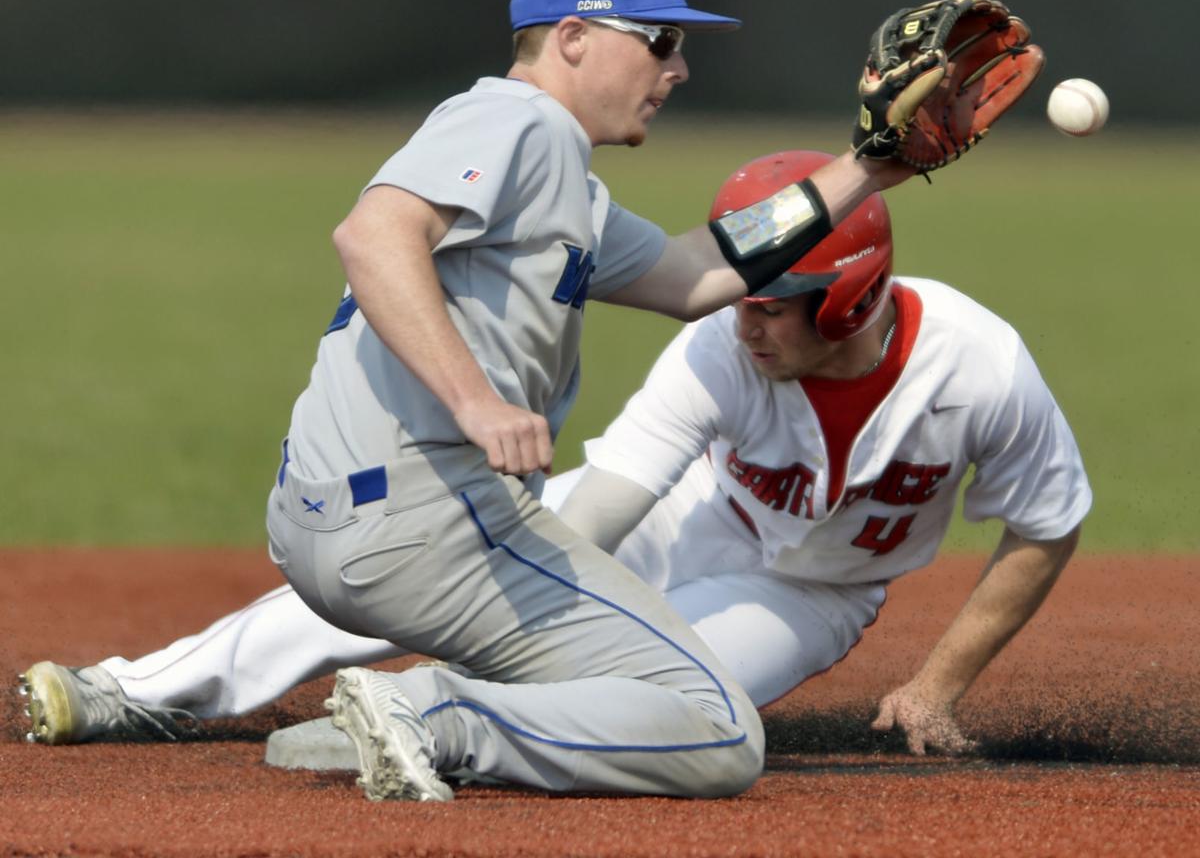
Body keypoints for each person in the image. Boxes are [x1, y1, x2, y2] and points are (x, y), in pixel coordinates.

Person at [22, 0, 933, 804]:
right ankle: (431, 712)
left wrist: (867, 168)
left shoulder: (563, 180)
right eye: (658, 39)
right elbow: (374, 235)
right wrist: (475, 400)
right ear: (572, 37)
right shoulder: (518, 120)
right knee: (717, 725)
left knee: (573, 627)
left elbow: (701, 274)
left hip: (331, 516)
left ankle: (144, 688)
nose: (678, 68)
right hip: (432, 516)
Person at [21, 150, 1090, 764]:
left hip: (813, 597)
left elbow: (1048, 523)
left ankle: (418, 719)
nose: (741, 321)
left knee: (691, 705)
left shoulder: (980, 367)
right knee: (427, 561)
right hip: (683, 520)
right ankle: (133, 688)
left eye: (770, 305)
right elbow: (616, 497)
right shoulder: (718, 350)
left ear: (849, 298)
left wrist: (939, 684)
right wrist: (504, 602)